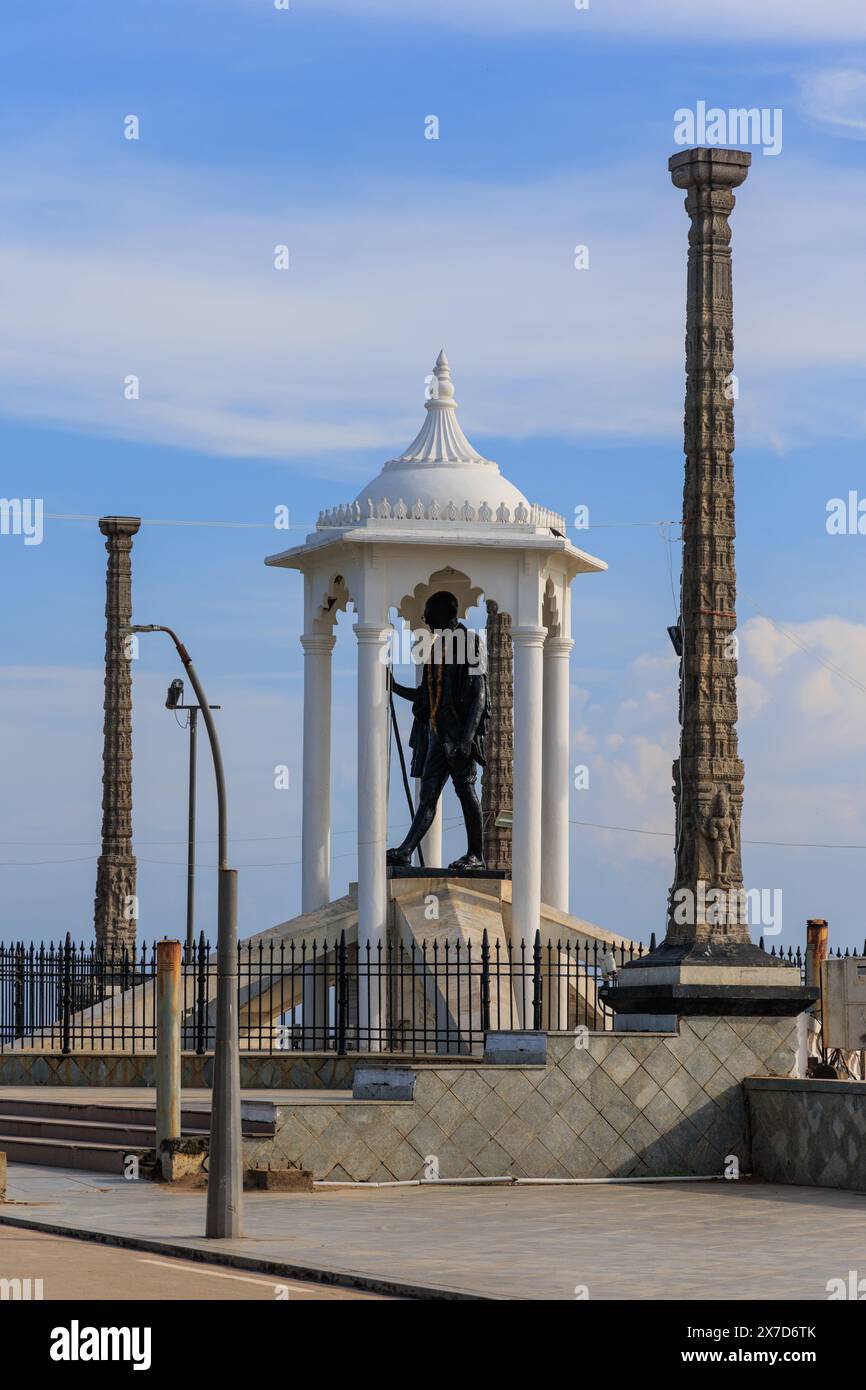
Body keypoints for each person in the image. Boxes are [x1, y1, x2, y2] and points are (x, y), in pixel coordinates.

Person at [386, 590, 488, 870]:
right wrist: (393, 687)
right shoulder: (437, 647)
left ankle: (475, 855)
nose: (425, 618)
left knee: (466, 790)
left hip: (458, 736)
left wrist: (467, 738)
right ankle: (406, 851)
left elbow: (480, 693)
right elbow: (426, 697)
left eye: (429, 613)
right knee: (428, 795)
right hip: (437, 734)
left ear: (444, 613)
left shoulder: (468, 643)